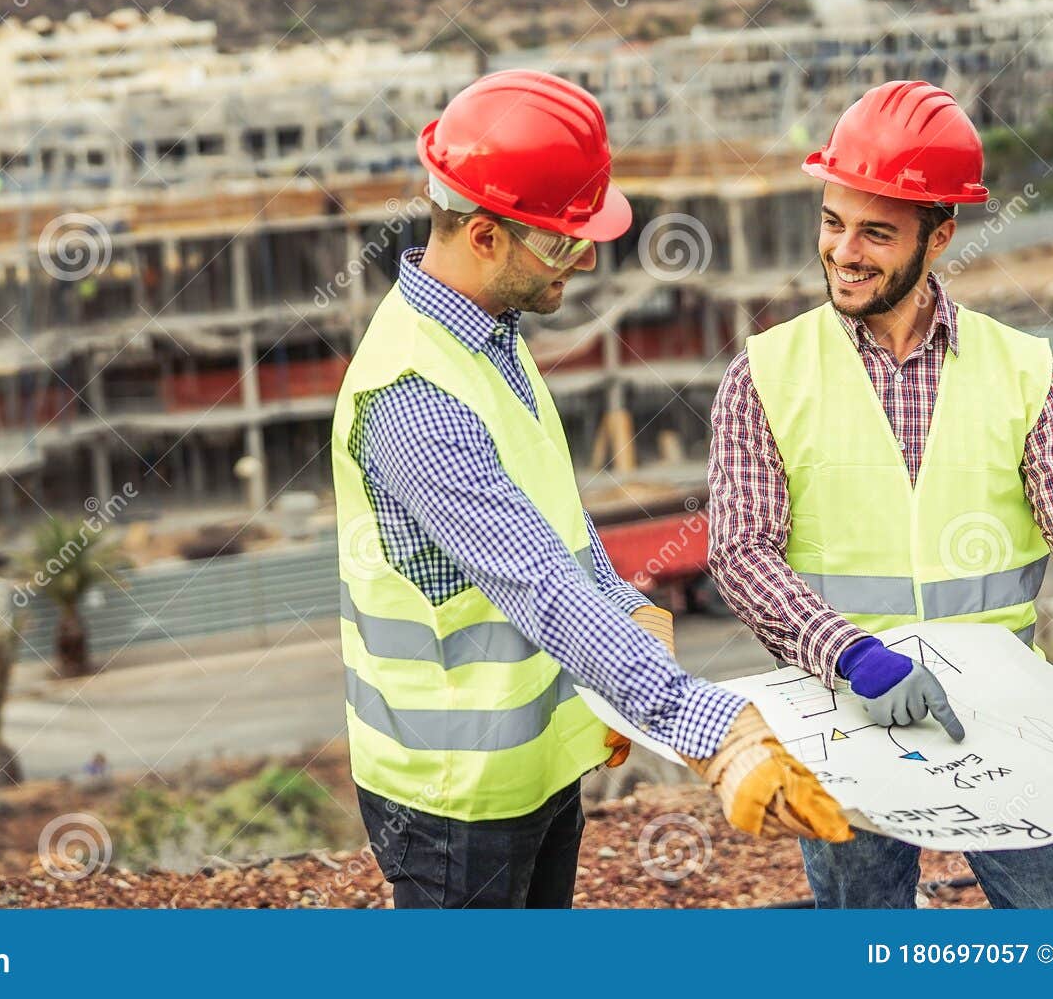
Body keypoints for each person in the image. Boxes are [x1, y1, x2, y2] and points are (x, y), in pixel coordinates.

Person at [707, 79, 1053, 909]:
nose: (844, 250)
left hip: (1006, 724)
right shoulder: (763, 374)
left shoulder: (1024, 372)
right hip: (843, 719)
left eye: (876, 231)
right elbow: (742, 554)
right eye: (832, 222)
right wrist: (857, 658)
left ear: (938, 237)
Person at [331, 69, 851, 909]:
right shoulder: (414, 396)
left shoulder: (490, 337)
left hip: (534, 767)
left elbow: (556, 542)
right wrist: (705, 730)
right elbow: (533, 583)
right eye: (563, 238)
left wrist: (625, 639)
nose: (586, 255)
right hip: (454, 800)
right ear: (486, 235)